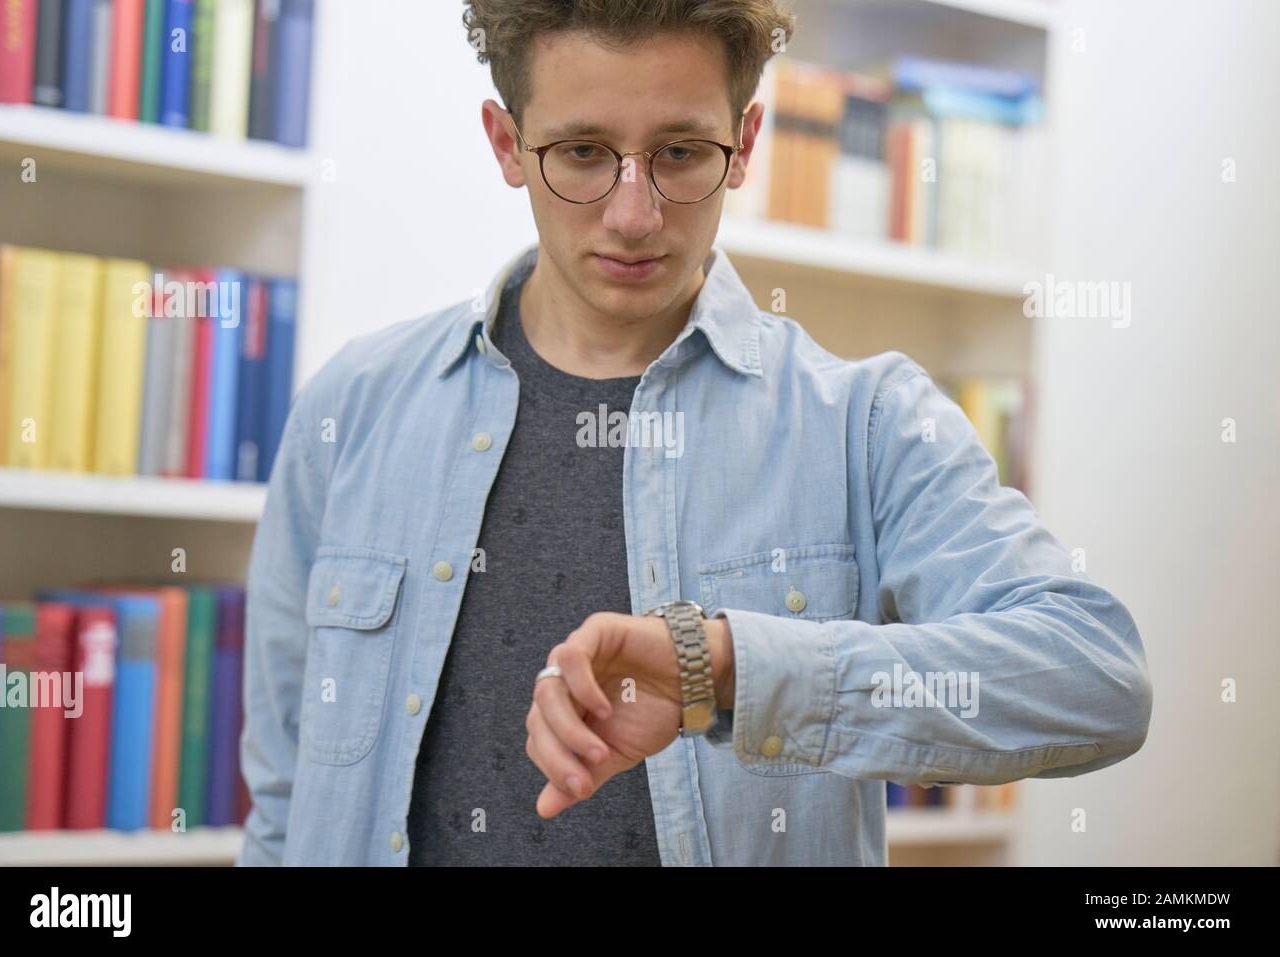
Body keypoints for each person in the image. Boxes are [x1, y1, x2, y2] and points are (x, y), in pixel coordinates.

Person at [237, 0, 1152, 867]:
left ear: (746, 142)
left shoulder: (867, 424)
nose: (635, 214)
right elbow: (281, 812)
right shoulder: (350, 408)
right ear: (506, 143)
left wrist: (726, 666)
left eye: (679, 152)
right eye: (584, 152)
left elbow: (1097, 677)